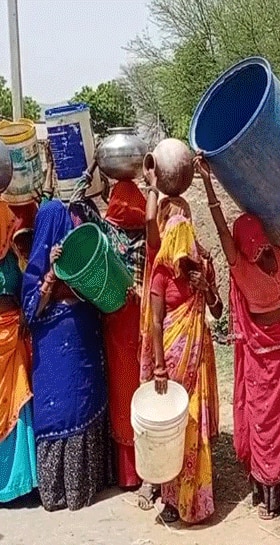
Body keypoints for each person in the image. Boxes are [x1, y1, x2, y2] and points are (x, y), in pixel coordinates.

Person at [197, 156, 280, 519]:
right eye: (251, 242)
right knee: (266, 420)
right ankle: (268, 495)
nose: (259, 246)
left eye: (260, 239)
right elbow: (221, 230)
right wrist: (207, 184)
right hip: (261, 355)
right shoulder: (241, 267)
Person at [22, 200, 111, 511]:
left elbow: (96, 285)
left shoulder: (77, 248)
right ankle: (57, 490)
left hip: (82, 338)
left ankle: (87, 484)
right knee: (59, 407)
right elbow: (31, 310)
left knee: (83, 399)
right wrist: (50, 272)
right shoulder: (39, 263)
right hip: (54, 346)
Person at [69, 168, 147, 491]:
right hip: (141, 319)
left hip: (114, 319)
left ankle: (126, 474)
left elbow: (74, 205)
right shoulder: (148, 235)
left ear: (113, 205)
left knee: (121, 391)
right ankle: (146, 470)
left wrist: (89, 175)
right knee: (141, 391)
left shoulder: (107, 234)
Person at [141, 214, 222, 524]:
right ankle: (171, 496)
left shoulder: (199, 271)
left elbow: (218, 309)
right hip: (173, 367)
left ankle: (196, 493)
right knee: (174, 428)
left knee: (194, 426)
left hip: (197, 359)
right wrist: (159, 367)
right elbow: (157, 323)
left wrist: (207, 289)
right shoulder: (161, 274)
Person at [0, 202, 37, 503]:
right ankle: (16, 482)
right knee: (17, 399)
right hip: (11, 329)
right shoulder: (13, 257)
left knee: (18, 396)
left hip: (13, 330)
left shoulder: (13, 255)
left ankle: (17, 482)